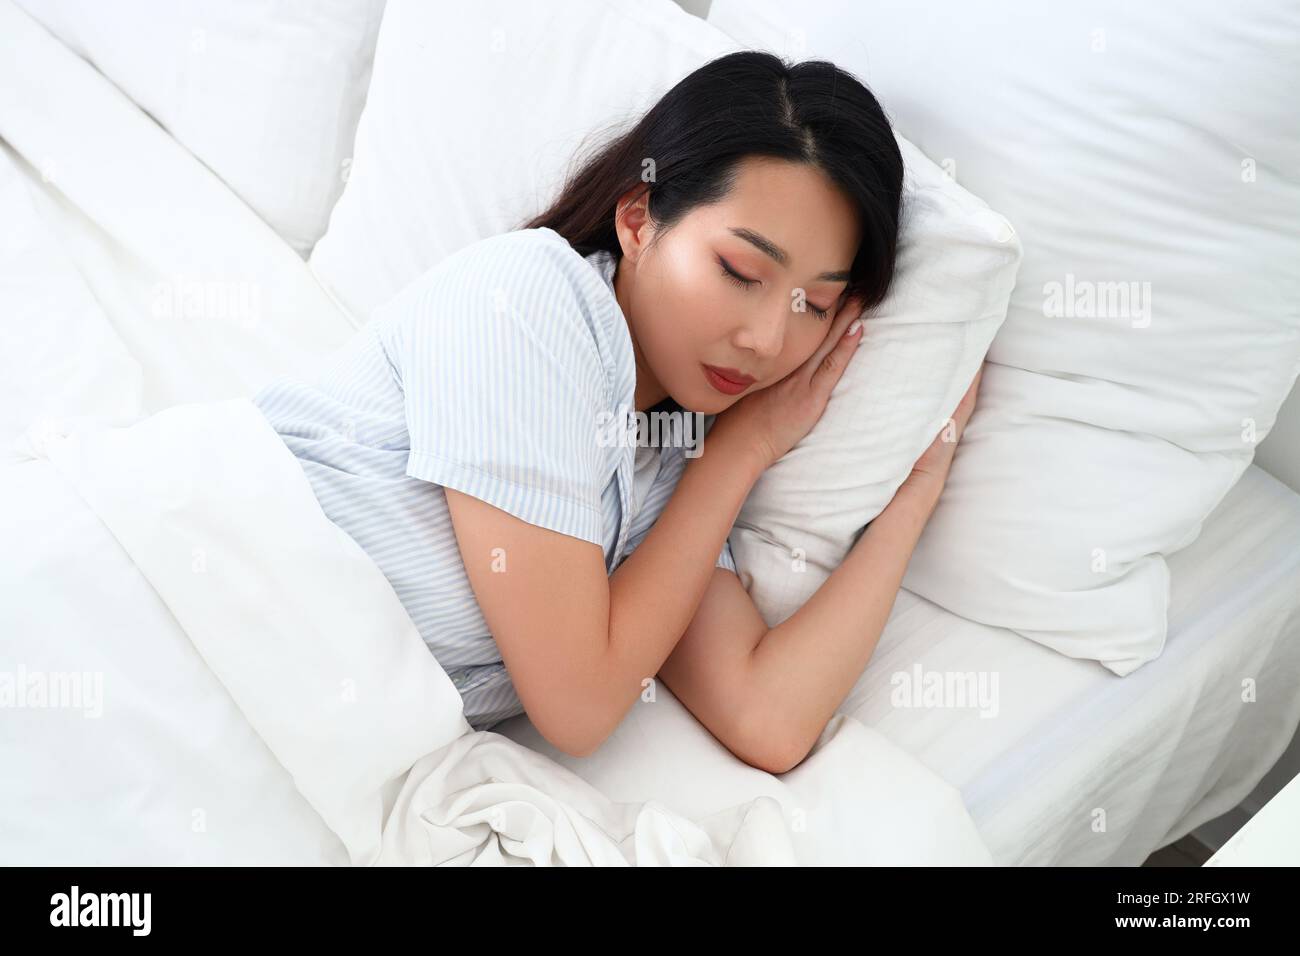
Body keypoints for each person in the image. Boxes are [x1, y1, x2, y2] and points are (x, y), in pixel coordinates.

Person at [252, 50, 982, 773]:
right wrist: (739, 452)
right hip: (213, 584)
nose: (765, 340)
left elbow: (769, 717)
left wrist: (914, 496)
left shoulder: (671, 468)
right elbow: (579, 706)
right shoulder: (528, 302)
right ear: (638, 220)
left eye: (813, 306)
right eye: (739, 272)